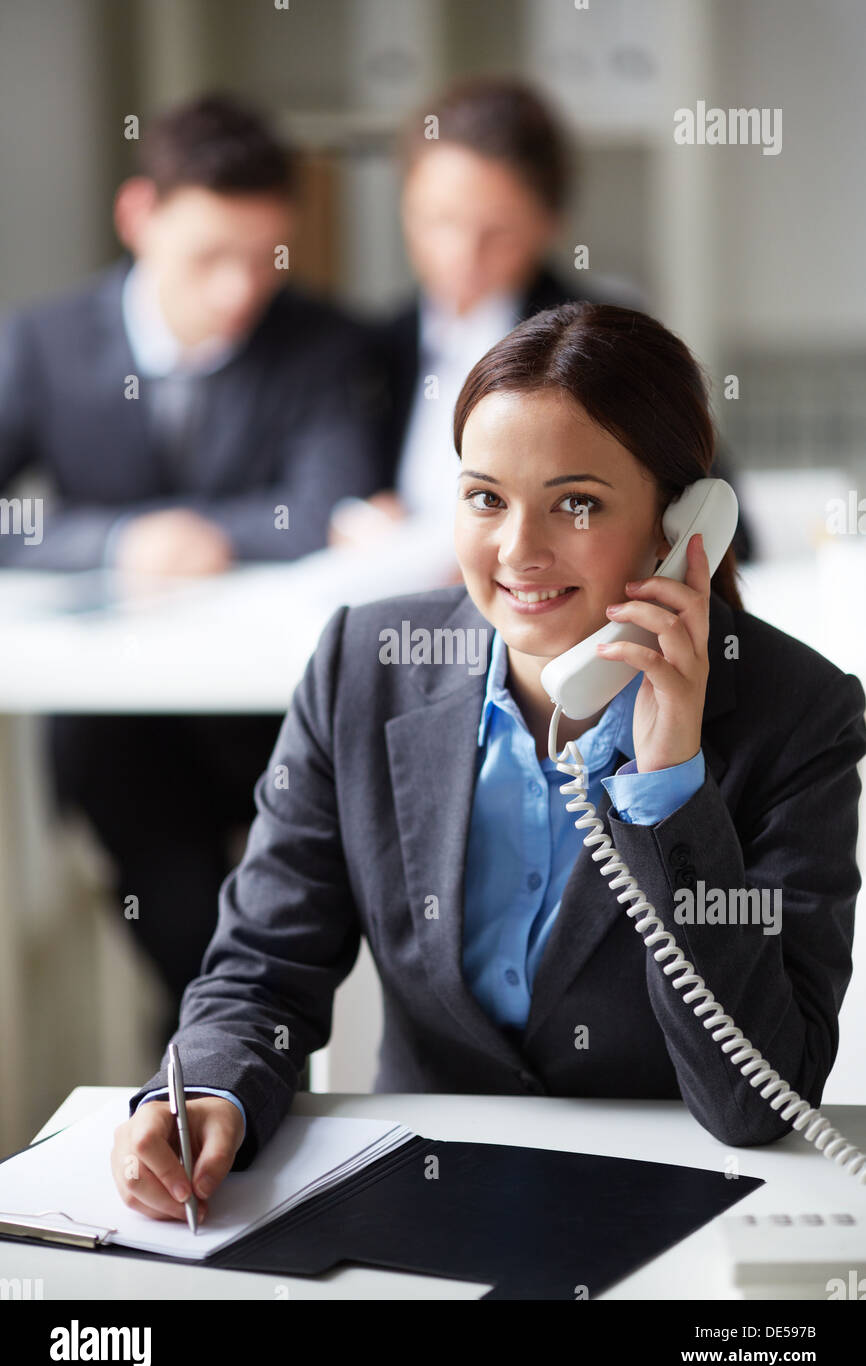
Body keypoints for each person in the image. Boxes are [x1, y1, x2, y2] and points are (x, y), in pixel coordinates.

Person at [111, 302, 864, 1223]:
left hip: (669, 1212)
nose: (518, 551)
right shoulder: (365, 666)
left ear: (681, 527)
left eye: (575, 503)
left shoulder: (802, 719)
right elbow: (265, 964)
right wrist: (206, 1095)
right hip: (420, 1198)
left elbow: (757, 1105)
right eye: (485, 498)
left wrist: (669, 787)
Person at [0, 93, 383, 1027]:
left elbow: (333, 503)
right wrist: (115, 541)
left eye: (262, 258)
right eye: (209, 257)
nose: (237, 290)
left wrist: (207, 537)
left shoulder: (323, 342)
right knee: (190, 940)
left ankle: (227, 1068)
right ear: (140, 218)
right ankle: (211, 1069)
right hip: (118, 726)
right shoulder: (43, 343)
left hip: (272, 719)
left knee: (299, 913)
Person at [332, 75, 754, 564]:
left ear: (549, 224)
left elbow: (722, 529)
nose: (461, 255)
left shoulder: (606, 346)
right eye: (439, 220)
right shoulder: (374, 344)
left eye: (496, 230)